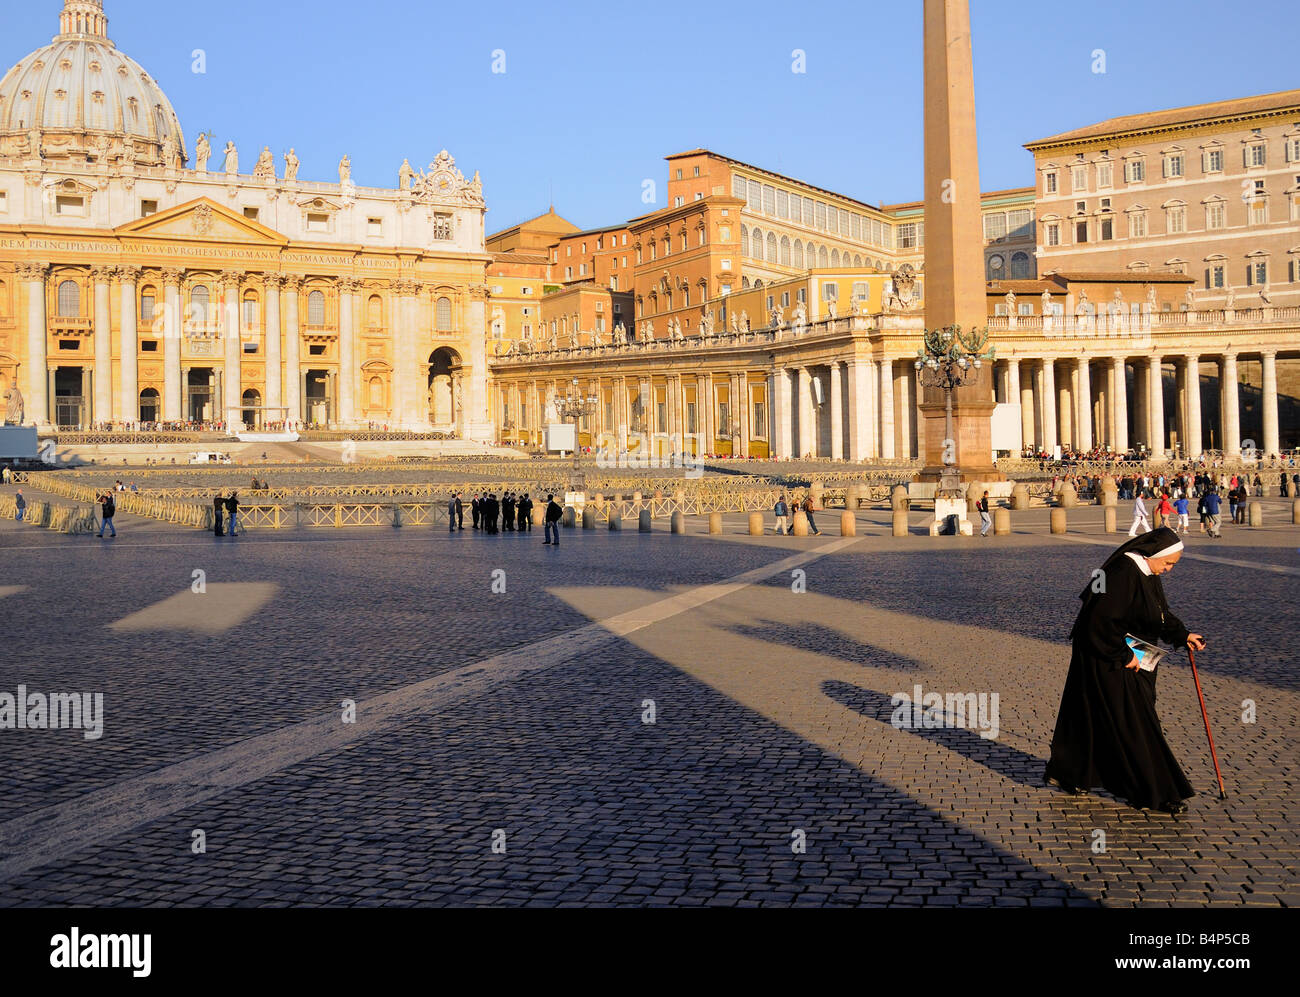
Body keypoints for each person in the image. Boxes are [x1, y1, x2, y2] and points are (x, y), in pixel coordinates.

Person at [1044, 527, 1207, 814]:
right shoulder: (1121, 573)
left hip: (1126, 655)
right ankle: (1153, 791)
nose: (1168, 570)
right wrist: (1122, 652)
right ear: (1154, 554)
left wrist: (1183, 635)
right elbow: (1098, 621)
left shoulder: (1147, 572)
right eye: (1168, 563)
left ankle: (1070, 772)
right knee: (1135, 722)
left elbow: (1158, 613)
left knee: (1093, 716)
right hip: (1106, 656)